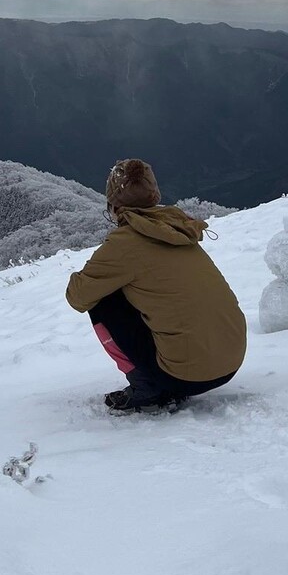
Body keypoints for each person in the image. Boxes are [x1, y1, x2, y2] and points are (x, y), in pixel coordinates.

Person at [66, 158, 247, 413]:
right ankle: (168, 371)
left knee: (102, 300)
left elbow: (78, 296)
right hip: (231, 359)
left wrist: (102, 269)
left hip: (188, 376)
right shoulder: (179, 228)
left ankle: (148, 388)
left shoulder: (124, 243)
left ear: (113, 205)